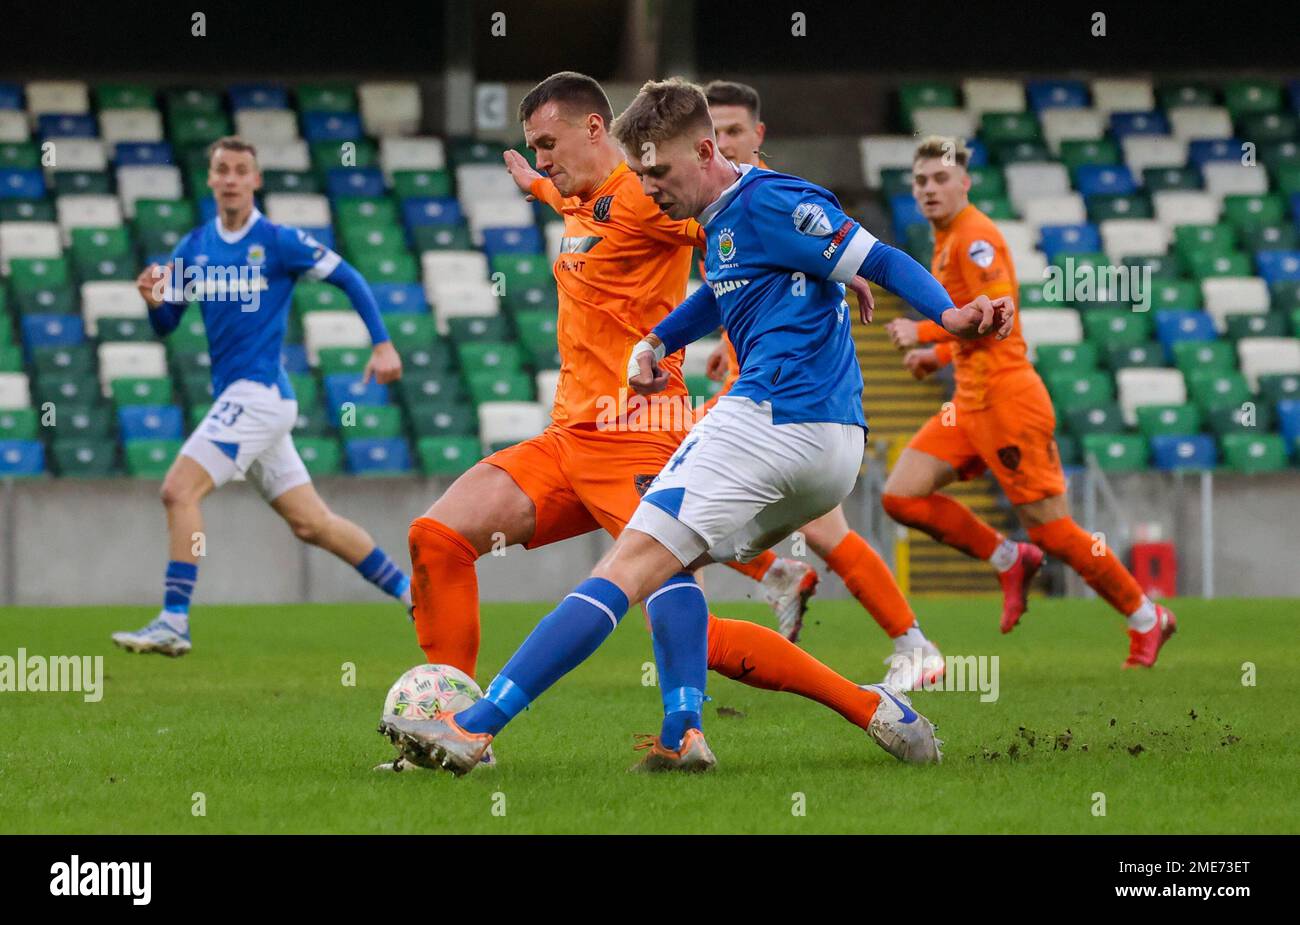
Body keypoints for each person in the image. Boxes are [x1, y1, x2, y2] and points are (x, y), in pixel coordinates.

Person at [385, 78, 1011, 775]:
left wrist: (910, 295)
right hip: (585, 437)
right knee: (440, 535)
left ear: (599, 131)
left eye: (548, 144)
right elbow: (723, 277)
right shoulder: (606, 197)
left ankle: (476, 727)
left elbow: (780, 223)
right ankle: (634, 726)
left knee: (647, 589)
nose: (652, 184)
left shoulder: (688, 201)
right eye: (535, 147)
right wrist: (651, 332)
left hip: (667, 428)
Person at [881, 136, 1175, 668]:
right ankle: (1009, 557)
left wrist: (924, 333)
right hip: (968, 401)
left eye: (940, 178)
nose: (929, 189)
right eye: (921, 181)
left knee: (1056, 530)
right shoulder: (945, 239)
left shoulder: (975, 237)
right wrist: (940, 357)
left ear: (964, 183)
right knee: (901, 495)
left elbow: (1000, 311)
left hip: (1007, 400)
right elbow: (973, 324)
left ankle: (1146, 615)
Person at [111, 136, 410, 657]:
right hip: (244, 399)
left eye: (240, 170)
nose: (229, 178)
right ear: (209, 179)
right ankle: (412, 594)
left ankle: (174, 619)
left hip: (260, 395)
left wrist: (382, 344)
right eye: (221, 169)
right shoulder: (195, 248)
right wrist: (153, 302)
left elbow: (350, 278)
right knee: (312, 523)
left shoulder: (277, 241)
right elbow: (167, 324)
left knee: (178, 491)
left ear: (255, 180)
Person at [697, 79, 945, 690]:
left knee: (666, 513)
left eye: (733, 131)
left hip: (789, 398)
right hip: (756, 383)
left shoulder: (772, 202)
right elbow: (735, 289)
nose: (722, 143)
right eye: (713, 132)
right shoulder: (718, 207)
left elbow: (851, 258)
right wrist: (723, 345)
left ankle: (691, 684)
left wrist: (856, 277)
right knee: (818, 531)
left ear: (757, 136)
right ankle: (906, 641)